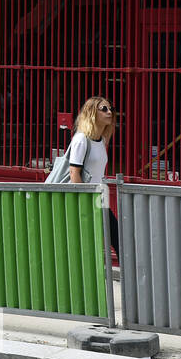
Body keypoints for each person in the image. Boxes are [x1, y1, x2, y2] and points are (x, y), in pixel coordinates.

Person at [67, 95, 120, 255]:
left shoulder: (102, 140)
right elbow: (74, 173)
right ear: (91, 113)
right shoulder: (81, 139)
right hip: (82, 200)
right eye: (104, 109)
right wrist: (85, 200)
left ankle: (128, 276)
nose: (109, 112)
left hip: (98, 197)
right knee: (86, 243)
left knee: (118, 238)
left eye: (111, 108)